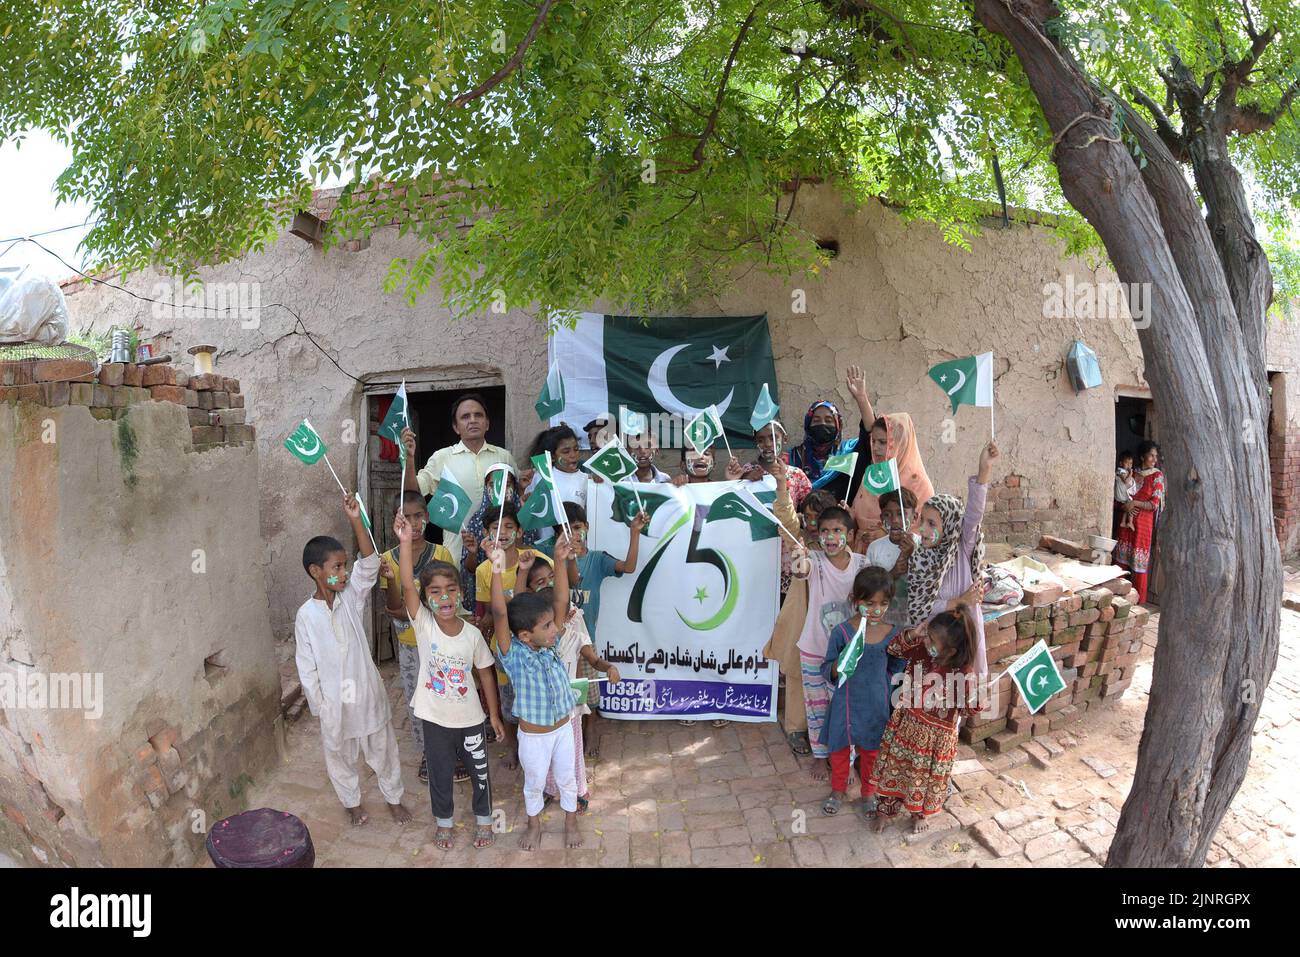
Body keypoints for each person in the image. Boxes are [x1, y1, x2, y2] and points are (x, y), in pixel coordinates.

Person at [294, 493, 411, 826]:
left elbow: (370, 563)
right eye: (337, 567)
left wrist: (356, 519)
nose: (343, 572)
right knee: (339, 756)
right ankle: (352, 802)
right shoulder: (306, 616)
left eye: (345, 566)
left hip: (367, 695)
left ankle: (394, 797)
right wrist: (321, 705)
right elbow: (306, 666)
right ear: (316, 571)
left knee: (384, 750)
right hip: (335, 704)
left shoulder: (351, 597)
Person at [394, 517, 503, 850]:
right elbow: (407, 586)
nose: (444, 598)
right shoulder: (424, 625)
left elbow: (485, 672)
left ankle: (484, 819)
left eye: (451, 590)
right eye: (436, 592)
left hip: (470, 719)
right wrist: (404, 541)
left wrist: (494, 717)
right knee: (440, 774)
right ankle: (444, 822)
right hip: (434, 717)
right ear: (426, 598)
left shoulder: (472, 635)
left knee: (480, 772)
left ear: (460, 593)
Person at [489, 537, 585, 851]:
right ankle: (534, 825)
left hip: (563, 729)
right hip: (534, 738)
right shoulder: (514, 656)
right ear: (526, 636)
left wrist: (559, 561)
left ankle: (571, 821)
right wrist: (496, 567)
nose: (556, 629)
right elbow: (501, 614)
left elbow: (560, 601)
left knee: (567, 778)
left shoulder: (549, 644)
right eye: (547, 626)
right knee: (533, 784)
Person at [868, 605, 981, 833]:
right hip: (906, 727)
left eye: (932, 640)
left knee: (926, 780)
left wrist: (975, 693)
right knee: (894, 770)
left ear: (950, 651)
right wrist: (914, 634)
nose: (927, 642)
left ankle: (919, 814)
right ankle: (884, 811)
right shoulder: (919, 648)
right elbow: (894, 648)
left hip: (936, 741)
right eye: (927, 636)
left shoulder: (963, 673)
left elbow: (971, 709)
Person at [546, 502, 645, 756]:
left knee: (590, 695)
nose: (572, 535)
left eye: (577, 528)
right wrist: (566, 558)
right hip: (556, 642)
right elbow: (571, 579)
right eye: (565, 531)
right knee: (565, 696)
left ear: (586, 527)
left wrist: (634, 533)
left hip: (586, 640)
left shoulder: (598, 559)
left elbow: (630, 567)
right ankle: (570, 740)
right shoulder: (552, 558)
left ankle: (589, 734)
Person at [537, 537, 623, 811]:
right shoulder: (530, 636)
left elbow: (592, 658)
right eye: (540, 582)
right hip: (539, 709)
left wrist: (608, 667)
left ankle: (576, 791)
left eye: (552, 579)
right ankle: (549, 789)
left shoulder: (573, 623)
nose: (548, 585)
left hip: (569, 709)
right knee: (543, 754)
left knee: (571, 754)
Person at [378, 490, 456, 784]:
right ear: (396, 521)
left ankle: (452, 748)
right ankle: (428, 753)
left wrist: (425, 610)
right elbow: (395, 608)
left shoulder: (442, 554)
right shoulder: (388, 560)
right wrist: (421, 609)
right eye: (406, 517)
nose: (413, 522)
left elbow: (451, 601)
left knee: (446, 692)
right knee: (417, 698)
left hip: (442, 641)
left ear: (427, 517)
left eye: (418, 515)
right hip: (411, 644)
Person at [791, 504, 870, 781]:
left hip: (848, 653)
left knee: (844, 708)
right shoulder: (813, 560)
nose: (831, 537)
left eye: (837, 530)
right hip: (814, 648)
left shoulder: (862, 564)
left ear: (849, 534)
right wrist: (798, 556)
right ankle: (820, 757)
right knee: (816, 707)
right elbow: (800, 570)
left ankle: (845, 762)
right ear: (817, 535)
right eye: (824, 531)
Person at [819, 567, 906, 820]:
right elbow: (827, 669)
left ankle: (868, 794)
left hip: (876, 704)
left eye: (883, 603)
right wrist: (839, 664)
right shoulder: (843, 632)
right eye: (870, 603)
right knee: (839, 749)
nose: (877, 610)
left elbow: (897, 667)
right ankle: (838, 791)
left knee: (872, 752)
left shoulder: (892, 634)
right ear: (856, 601)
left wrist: (883, 684)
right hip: (846, 702)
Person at [906, 441, 999, 675]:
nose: (923, 529)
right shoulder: (919, 559)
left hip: (965, 635)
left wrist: (984, 471)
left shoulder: (961, 548)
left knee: (968, 688)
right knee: (938, 692)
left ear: (948, 526)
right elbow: (920, 609)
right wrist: (960, 600)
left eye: (932, 523)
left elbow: (974, 515)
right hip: (936, 643)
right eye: (922, 521)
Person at [473, 503, 554, 769]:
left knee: (538, 698)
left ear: (519, 532)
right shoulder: (484, 570)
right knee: (509, 702)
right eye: (496, 528)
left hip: (536, 647)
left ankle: (543, 749)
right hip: (505, 649)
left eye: (509, 527)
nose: (503, 532)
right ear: (486, 533)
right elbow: (488, 610)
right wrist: (479, 624)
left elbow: (551, 592)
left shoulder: (534, 559)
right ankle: (514, 748)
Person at [401, 393, 515, 568]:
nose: (473, 420)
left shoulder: (503, 456)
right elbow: (413, 492)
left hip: (501, 552)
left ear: (487, 423)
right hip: (456, 552)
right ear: (456, 427)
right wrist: (409, 458)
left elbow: (517, 497)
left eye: (478, 415)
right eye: (465, 417)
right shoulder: (442, 457)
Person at [845, 364, 934, 545]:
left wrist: (886, 535)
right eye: (874, 442)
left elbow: (924, 532)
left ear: (899, 445)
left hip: (899, 564)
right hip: (863, 556)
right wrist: (848, 515)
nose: (876, 448)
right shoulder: (874, 475)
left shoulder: (918, 483)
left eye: (883, 443)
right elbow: (858, 516)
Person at [1114, 440, 1164, 604]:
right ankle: (1116, 600)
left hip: (1143, 527)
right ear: (1142, 456)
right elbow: (1119, 498)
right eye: (1151, 455)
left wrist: (1134, 503)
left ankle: (1138, 605)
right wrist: (1125, 507)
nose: (1154, 459)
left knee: (1139, 567)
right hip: (1126, 524)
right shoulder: (1131, 474)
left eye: (1155, 456)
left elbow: (1154, 504)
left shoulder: (1157, 476)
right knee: (1120, 563)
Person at [865, 488, 920, 626]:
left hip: (915, 624)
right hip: (884, 623)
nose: (894, 520)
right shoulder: (875, 548)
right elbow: (868, 588)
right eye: (887, 515)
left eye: (901, 514)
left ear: (914, 517)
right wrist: (892, 573)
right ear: (881, 518)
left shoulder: (922, 546)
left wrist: (913, 555)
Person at [787, 400, 860, 499]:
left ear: (837, 425)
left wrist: (861, 398)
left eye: (829, 420)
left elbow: (869, 436)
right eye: (816, 421)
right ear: (808, 425)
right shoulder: (794, 457)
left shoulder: (848, 450)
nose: (822, 424)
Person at [741, 419, 812, 510]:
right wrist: (745, 479)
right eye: (761, 440)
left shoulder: (796, 475)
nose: (768, 444)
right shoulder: (748, 470)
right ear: (756, 443)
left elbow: (808, 509)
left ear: (785, 439)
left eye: (773, 438)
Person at [1114, 450, 1138, 533]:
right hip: (1121, 495)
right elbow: (1126, 481)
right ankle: (1130, 522)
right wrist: (1131, 474)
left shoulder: (1125, 471)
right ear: (1121, 463)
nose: (1129, 465)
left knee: (1127, 506)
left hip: (1124, 495)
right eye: (1127, 463)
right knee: (1131, 504)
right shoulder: (1121, 471)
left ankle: (1123, 522)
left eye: (1130, 463)